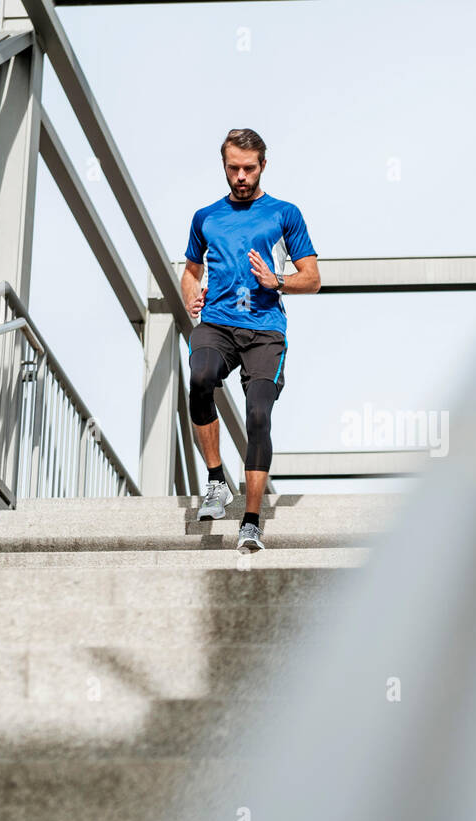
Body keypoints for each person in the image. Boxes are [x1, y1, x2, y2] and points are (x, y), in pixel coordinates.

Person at [181, 128, 320, 552]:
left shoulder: (285, 214)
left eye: (249, 168)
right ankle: (216, 480)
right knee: (200, 377)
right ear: (224, 166)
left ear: (263, 165)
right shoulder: (206, 217)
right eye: (233, 168)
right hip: (218, 323)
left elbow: (312, 279)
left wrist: (275, 279)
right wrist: (193, 295)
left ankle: (252, 521)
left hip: (265, 330)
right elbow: (190, 270)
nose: (241, 176)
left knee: (258, 414)